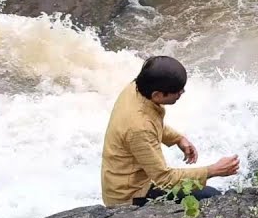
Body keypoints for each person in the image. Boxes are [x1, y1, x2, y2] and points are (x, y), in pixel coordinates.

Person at [101, 55, 239, 207]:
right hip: (130, 195)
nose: (182, 93)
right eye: (177, 91)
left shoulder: (136, 88)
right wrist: (213, 170)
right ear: (157, 95)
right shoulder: (139, 127)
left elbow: (149, 123)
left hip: (127, 179)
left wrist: (177, 138)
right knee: (209, 197)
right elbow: (164, 179)